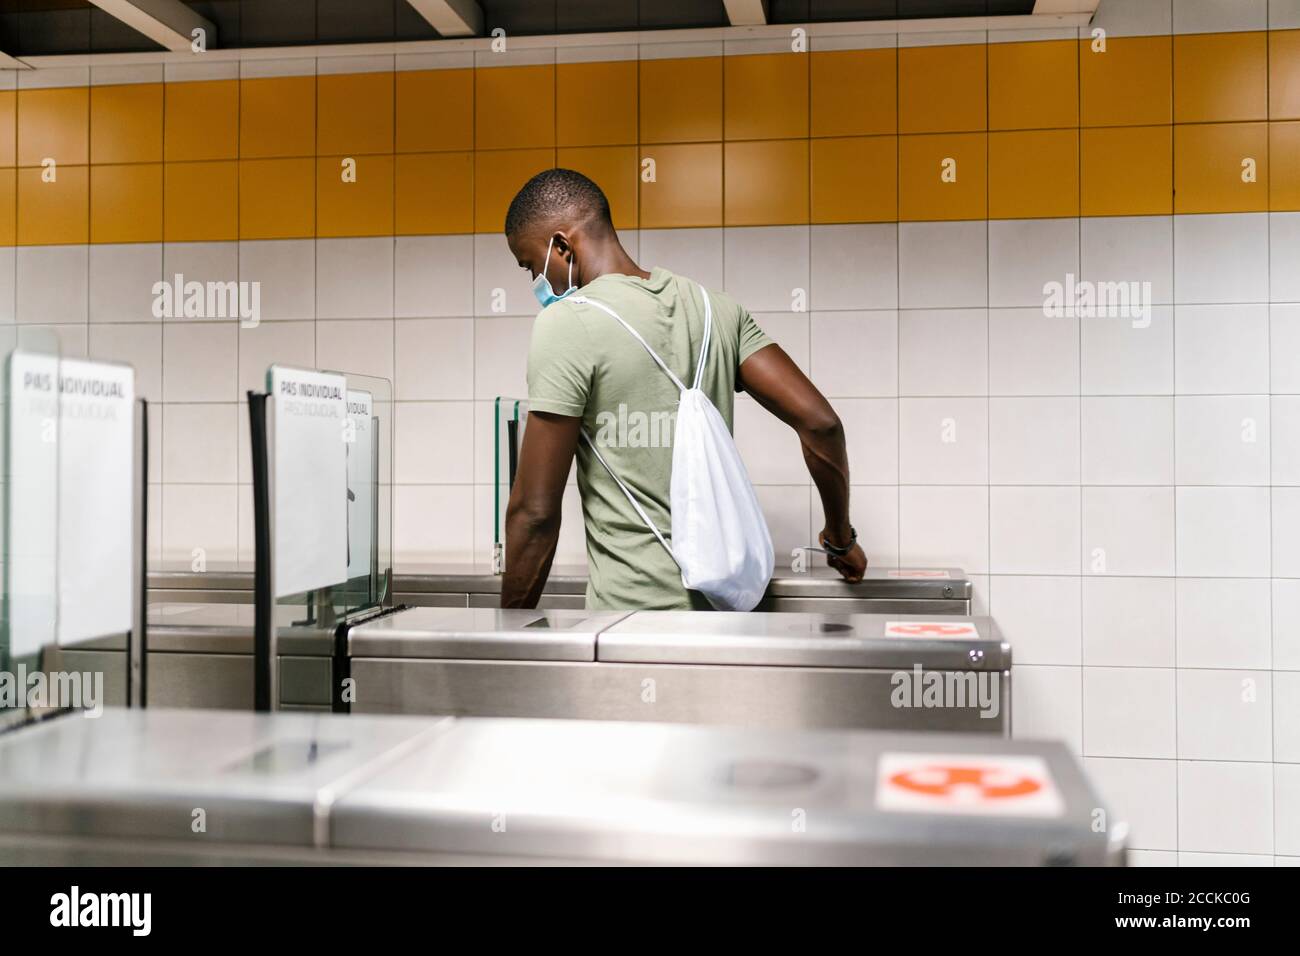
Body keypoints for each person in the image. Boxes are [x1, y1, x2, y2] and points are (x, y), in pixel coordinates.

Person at [501, 168, 866, 610]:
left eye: (531, 266)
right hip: (726, 613)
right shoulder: (717, 310)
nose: (539, 285)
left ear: (562, 246)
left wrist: (510, 637)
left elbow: (535, 513)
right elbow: (821, 423)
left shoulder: (565, 324)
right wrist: (840, 539)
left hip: (631, 624)